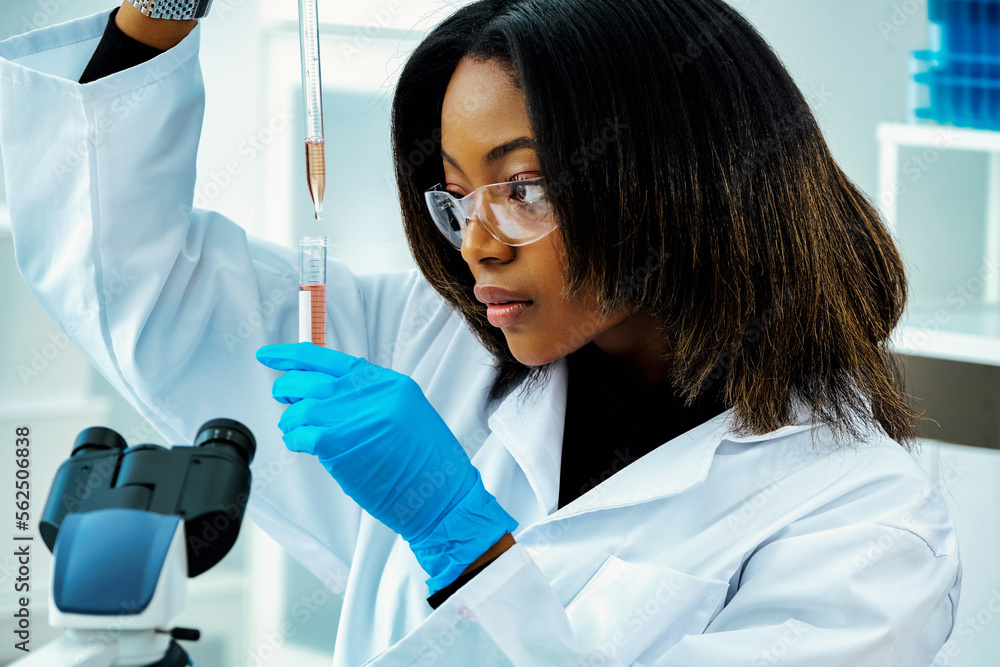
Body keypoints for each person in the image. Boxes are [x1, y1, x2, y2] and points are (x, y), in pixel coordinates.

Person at [0, 0, 960, 664]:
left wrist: (462, 540)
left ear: (684, 174)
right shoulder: (436, 352)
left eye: (524, 187)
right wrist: (160, 7)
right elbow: (132, 277)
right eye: (456, 198)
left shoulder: (863, 528)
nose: (478, 246)